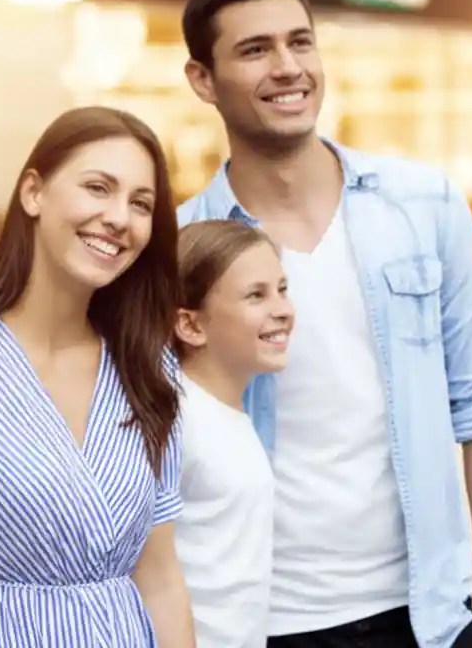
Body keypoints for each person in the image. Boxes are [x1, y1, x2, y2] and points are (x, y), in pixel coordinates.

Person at [0, 0, 472, 648]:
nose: (288, 67)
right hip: (255, 624)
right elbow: (98, 430)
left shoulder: (423, 206)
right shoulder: (171, 251)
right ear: (202, 81)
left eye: (300, 42)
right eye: (255, 50)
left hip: (428, 618)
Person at [0, 106, 195, 647]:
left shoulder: (149, 367)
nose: (120, 217)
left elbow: (161, 579)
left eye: (140, 204)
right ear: (34, 192)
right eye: (98, 187)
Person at [171, 219, 291, 648]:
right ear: (191, 325)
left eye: (282, 288)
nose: (282, 309)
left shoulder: (230, 414)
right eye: (256, 295)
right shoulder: (177, 421)